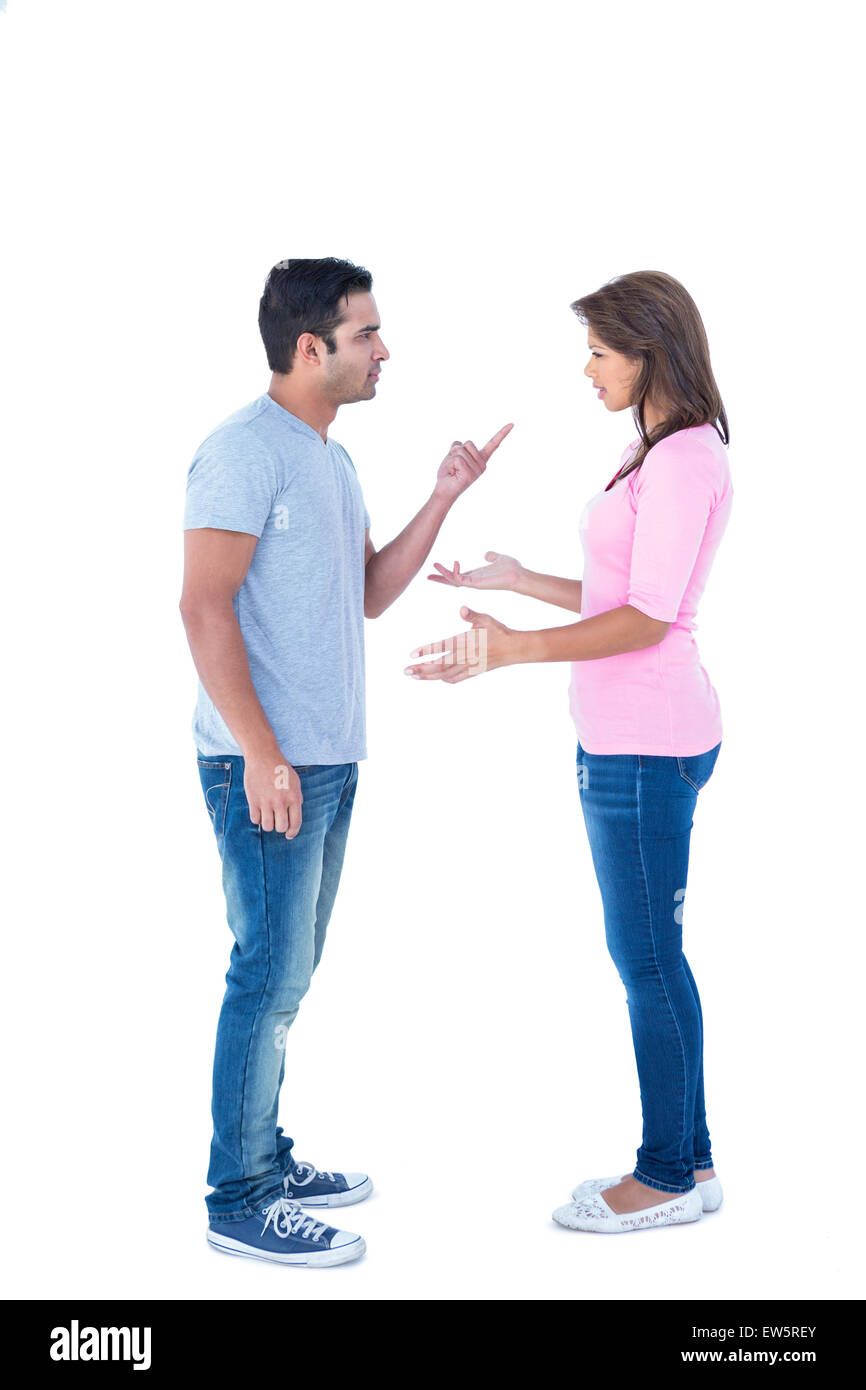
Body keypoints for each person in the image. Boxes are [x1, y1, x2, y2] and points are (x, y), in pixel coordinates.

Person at [180, 256, 512, 1265]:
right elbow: (202, 605)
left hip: (327, 760)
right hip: (267, 767)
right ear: (311, 346)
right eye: (368, 333)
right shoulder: (241, 451)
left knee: (289, 974)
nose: (384, 349)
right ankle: (237, 1195)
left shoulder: (331, 458)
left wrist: (443, 494)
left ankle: (263, 1155)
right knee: (265, 977)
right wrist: (263, 754)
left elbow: (367, 591)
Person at [405, 270, 733, 1234]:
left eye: (598, 350)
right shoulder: (660, 447)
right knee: (653, 955)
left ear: (648, 348)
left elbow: (646, 618)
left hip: (645, 745)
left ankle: (667, 1176)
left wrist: (507, 651)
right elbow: (621, 588)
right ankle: (693, 1162)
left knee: (647, 960)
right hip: (636, 736)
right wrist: (520, 582)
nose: (586, 370)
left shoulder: (680, 460)